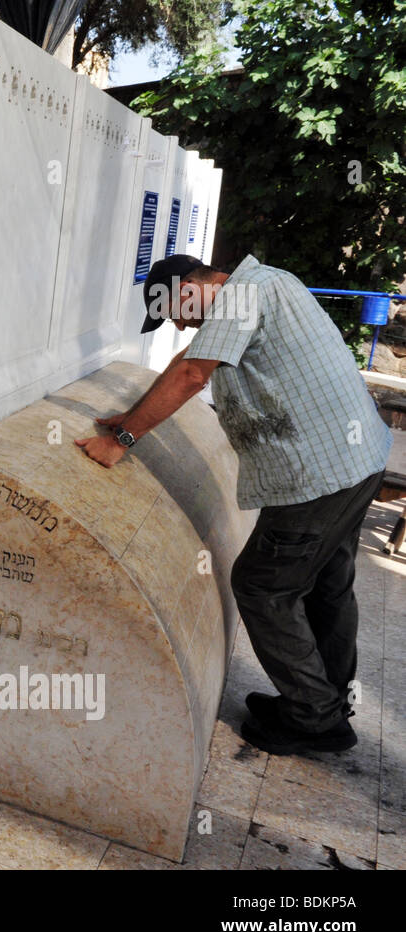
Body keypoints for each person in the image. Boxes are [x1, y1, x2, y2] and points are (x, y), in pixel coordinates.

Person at [75, 253, 391, 755]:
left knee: (263, 585)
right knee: (327, 585)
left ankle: (315, 719)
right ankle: (327, 698)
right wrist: (131, 415)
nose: (179, 324)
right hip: (356, 461)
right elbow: (187, 361)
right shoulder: (268, 282)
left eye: (174, 312)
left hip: (317, 476)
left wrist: (123, 440)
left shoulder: (239, 298)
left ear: (188, 289)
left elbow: (192, 376)